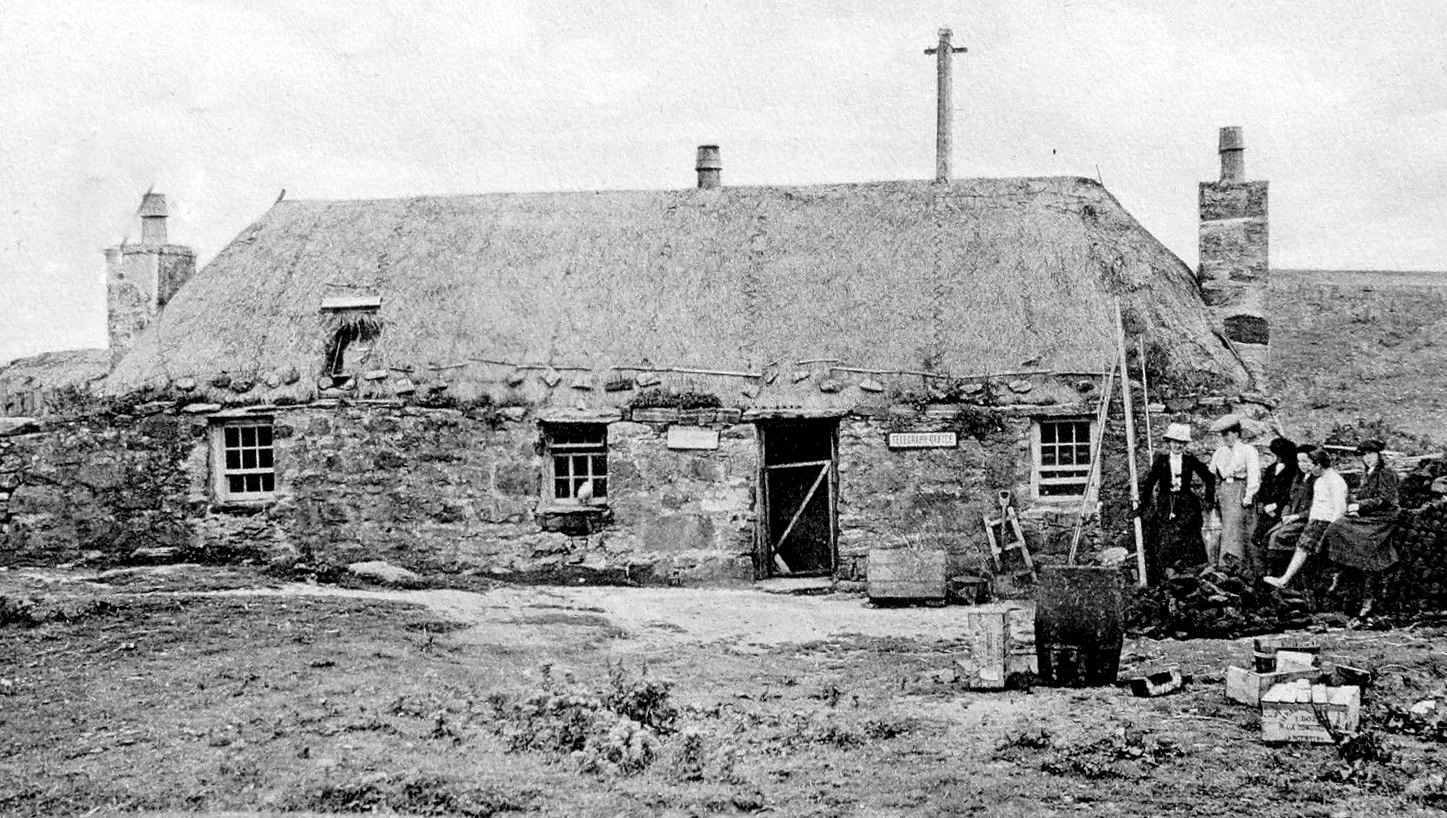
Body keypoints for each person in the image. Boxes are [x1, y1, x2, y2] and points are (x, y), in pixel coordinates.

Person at [1323, 439, 1400, 617]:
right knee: (1336, 527)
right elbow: (1362, 498)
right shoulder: (1367, 474)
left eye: (1371, 454)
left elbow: (1384, 499)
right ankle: (1339, 571)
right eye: (1365, 455)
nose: (1368, 458)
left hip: (1384, 517)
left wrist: (1359, 507)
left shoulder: (1386, 473)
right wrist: (1357, 508)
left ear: (1379, 455)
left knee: (1359, 540)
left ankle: (1366, 595)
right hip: (1370, 515)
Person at [1137, 422, 1215, 583]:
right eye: (1175, 442)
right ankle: (1167, 576)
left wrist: (1209, 499)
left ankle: (1193, 575)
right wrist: (1142, 506)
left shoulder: (1190, 460)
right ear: (1169, 443)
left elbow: (1209, 478)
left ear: (1185, 444)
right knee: (1166, 536)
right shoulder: (1161, 461)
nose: (1178, 445)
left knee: (1189, 535)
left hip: (1186, 503)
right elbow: (1150, 483)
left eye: (1181, 442)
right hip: (1167, 502)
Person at [1264, 447, 1348, 589]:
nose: (1309, 468)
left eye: (1311, 465)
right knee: (1302, 549)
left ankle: (1285, 580)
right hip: (1315, 521)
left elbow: (1339, 508)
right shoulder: (1321, 480)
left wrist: (1331, 529)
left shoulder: (1335, 481)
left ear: (1319, 465)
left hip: (1325, 522)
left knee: (1303, 549)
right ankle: (1288, 580)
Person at [1208, 414, 1261, 577]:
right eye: (1223, 435)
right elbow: (1212, 473)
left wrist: (1249, 495)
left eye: (1228, 434)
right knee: (1228, 528)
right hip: (1226, 491)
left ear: (1236, 434)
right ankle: (1227, 564)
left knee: (1241, 528)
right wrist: (1215, 493)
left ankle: (1247, 567)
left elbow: (1254, 474)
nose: (1225, 438)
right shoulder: (1220, 452)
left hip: (1241, 489)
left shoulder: (1247, 450)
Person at [1255, 437, 1302, 572]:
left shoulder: (1294, 471)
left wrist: (1276, 506)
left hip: (1282, 510)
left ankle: (1275, 571)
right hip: (1268, 510)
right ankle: (1264, 571)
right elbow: (1263, 488)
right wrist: (1264, 504)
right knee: (1258, 538)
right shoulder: (1271, 469)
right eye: (1276, 456)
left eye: (1280, 456)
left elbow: (1289, 494)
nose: (1278, 459)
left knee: (1272, 538)